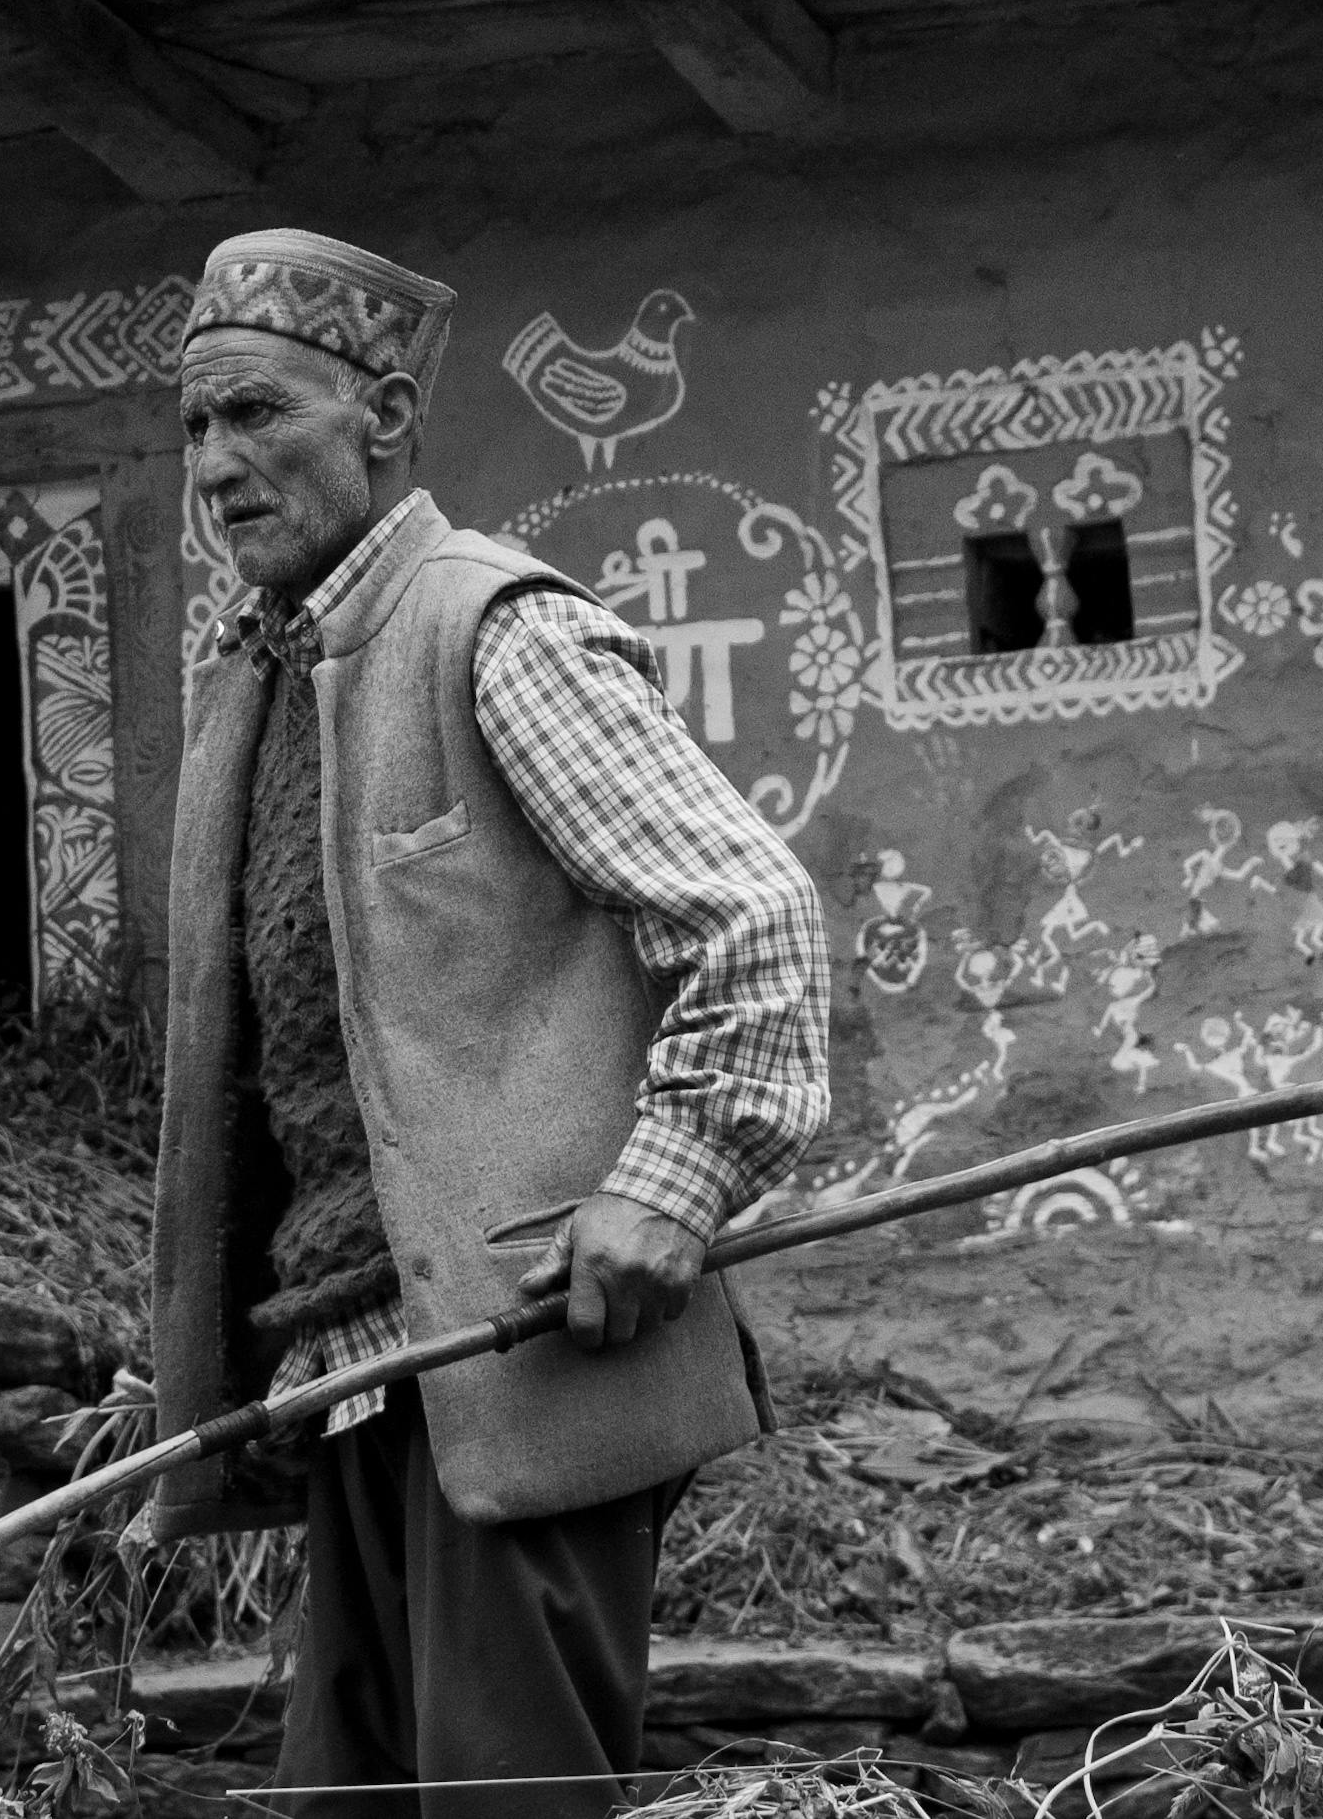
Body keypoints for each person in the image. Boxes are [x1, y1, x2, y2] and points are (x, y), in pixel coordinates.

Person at [143, 228, 831, 1819]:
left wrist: (667, 1183)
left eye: (256, 412)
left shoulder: (493, 627)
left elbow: (751, 915)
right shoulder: (259, 679)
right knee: (353, 1799)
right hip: (362, 1361)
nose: (215, 464)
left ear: (385, 416)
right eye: (193, 426)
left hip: (529, 1341)